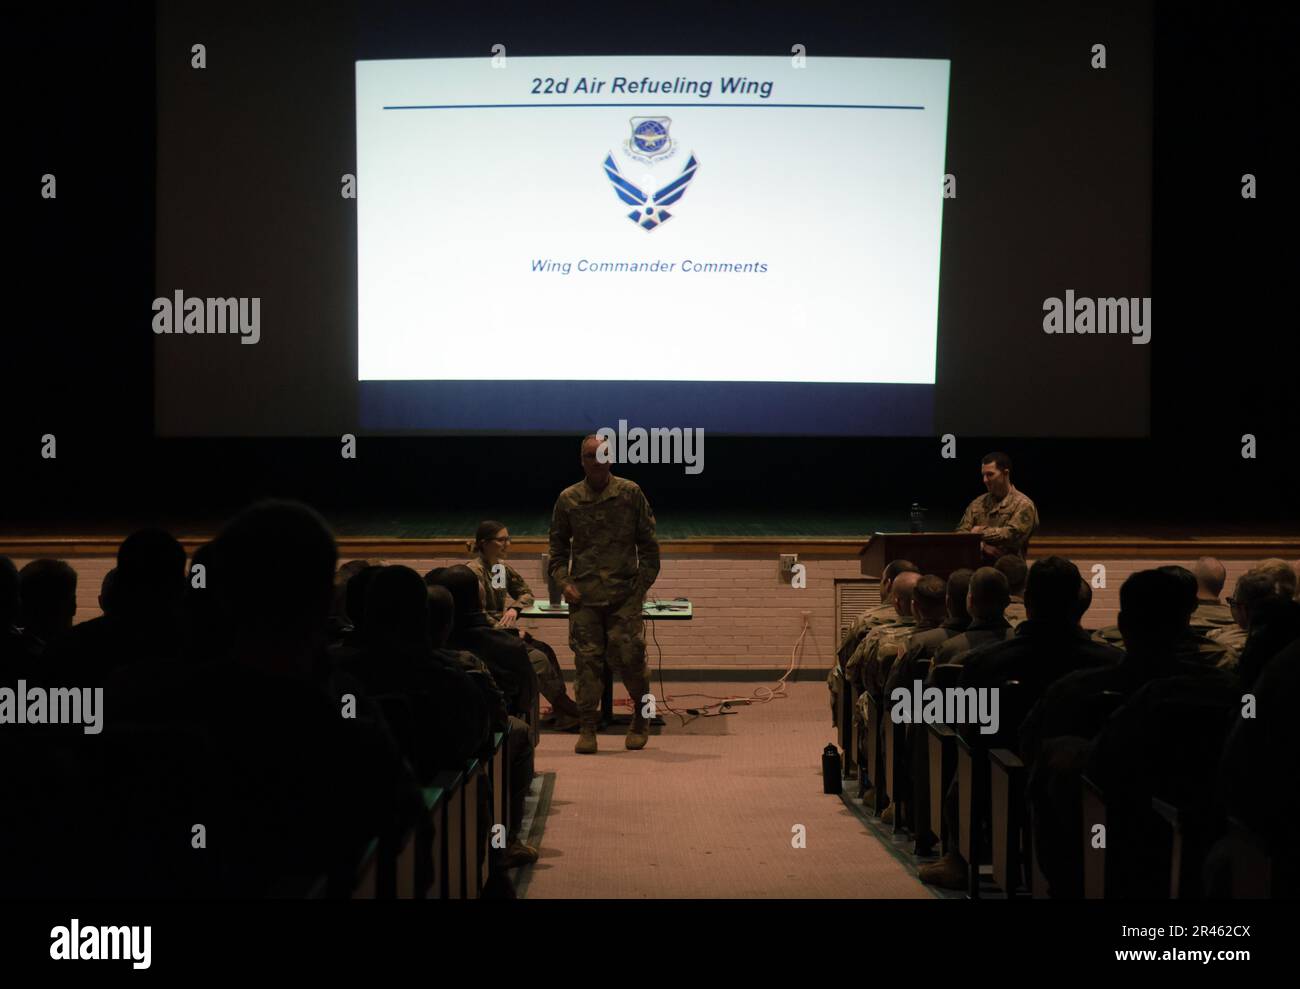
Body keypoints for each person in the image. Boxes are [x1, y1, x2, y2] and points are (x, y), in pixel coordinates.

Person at [547, 434, 660, 754]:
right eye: (589, 456)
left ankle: (641, 717)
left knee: (632, 661)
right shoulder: (568, 499)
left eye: (602, 455)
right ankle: (587, 726)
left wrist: (638, 591)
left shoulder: (630, 493)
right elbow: (556, 552)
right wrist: (564, 583)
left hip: (623, 597)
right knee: (586, 663)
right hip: (584, 598)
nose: (596, 462)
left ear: (611, 459)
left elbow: (649, 549)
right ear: (581, 460)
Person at [465, 520, 580, 727]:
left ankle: (561, 706)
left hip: (500, 631)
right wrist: (508, 631)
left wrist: (514, 608)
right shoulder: (473, 573)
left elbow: (525, 593)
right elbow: (479, 615)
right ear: (484, 543)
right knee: (539, 657)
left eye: (508, 539)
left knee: (546, 650)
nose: (507, 544)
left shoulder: (499, 569)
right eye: (501, 540)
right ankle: (566, 710)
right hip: (487, 636)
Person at [956, 451, 1038, 560]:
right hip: (977, 569)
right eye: (983, 475)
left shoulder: (1023, 505)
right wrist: (981, 545)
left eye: (990, 474)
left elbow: (1011, 535)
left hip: (1009, 570)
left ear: (1005, 473)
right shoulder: (977, 503)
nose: (985, 480)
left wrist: (979, 532)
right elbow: (960, 534)